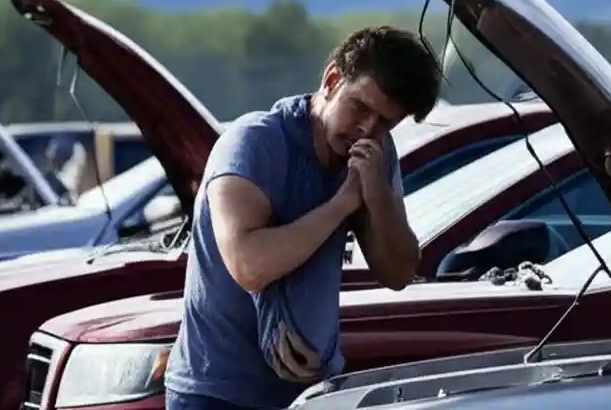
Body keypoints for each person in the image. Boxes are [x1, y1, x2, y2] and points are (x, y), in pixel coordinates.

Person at [164, 26, 442, 410]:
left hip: (310, 394)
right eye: (360, 107)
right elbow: (249, 264)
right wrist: (344, 204)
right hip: (218, 392)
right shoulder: (255, 142)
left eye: (385, 123)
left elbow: (397, 273)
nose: (367, 129)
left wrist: (378, 196)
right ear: (331, 80)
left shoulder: (374, 154)